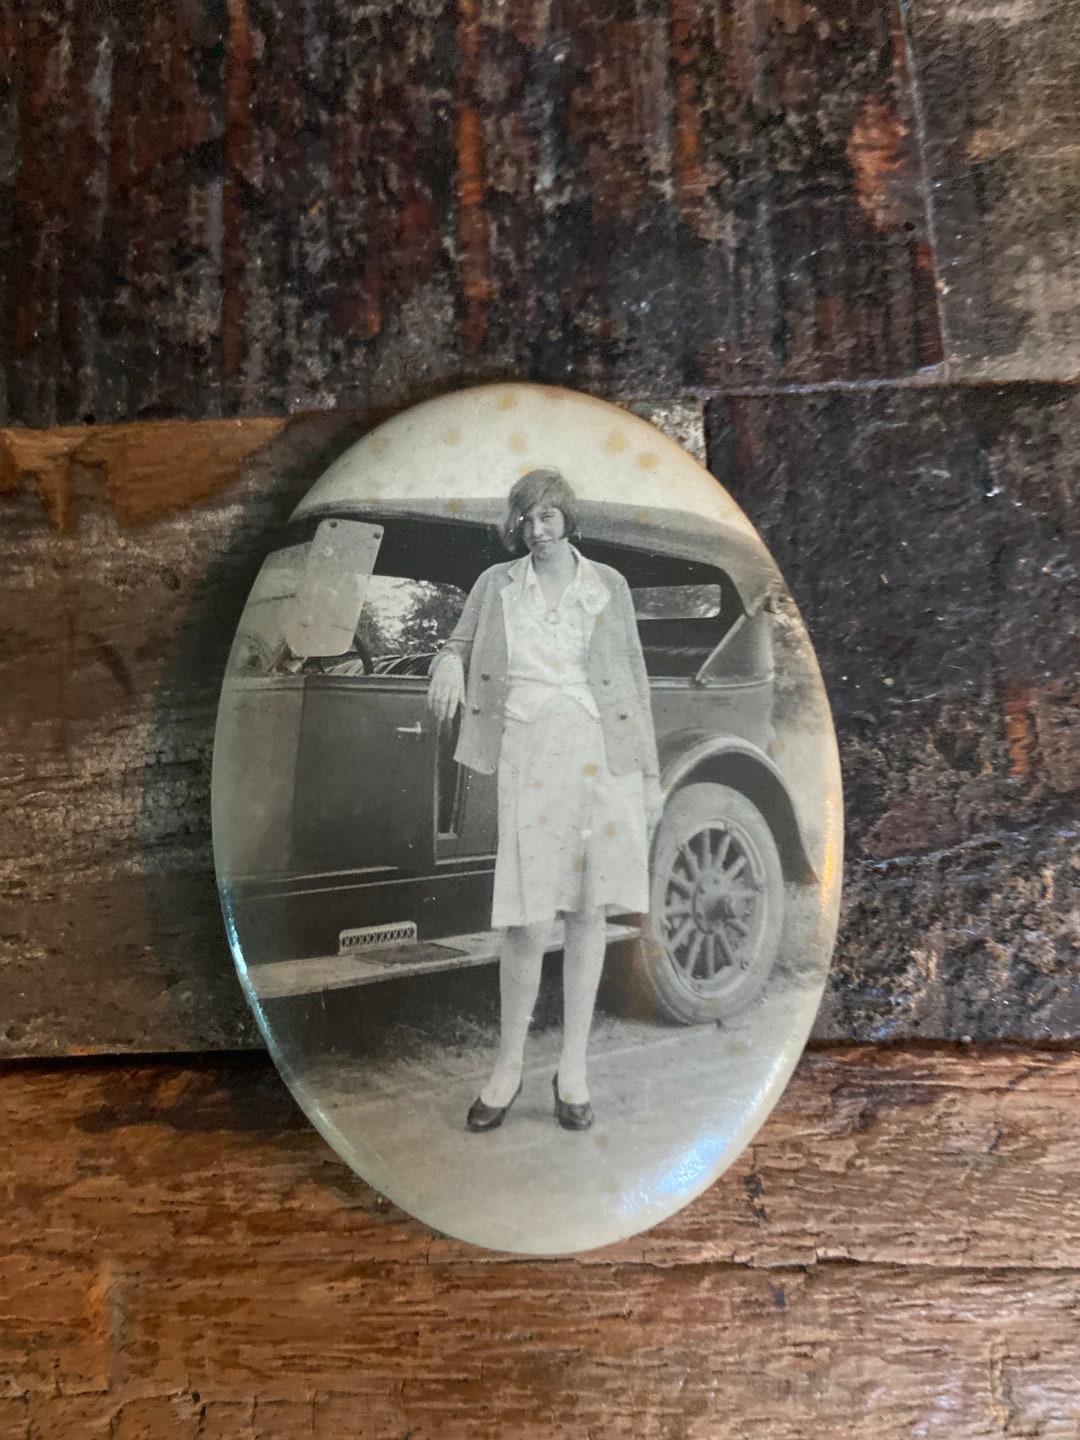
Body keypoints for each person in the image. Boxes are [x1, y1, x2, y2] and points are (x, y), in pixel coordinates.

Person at [427, 469, 662, 1132]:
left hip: (599, 758)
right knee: (527, 921)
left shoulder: (607, 585)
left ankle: (573, 1070)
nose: (538, 530)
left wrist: (647, 776)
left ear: (569, 519)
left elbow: (635, 681)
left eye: (549, 516)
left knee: (588, 910)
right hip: (528, 754)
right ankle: (507, 1068)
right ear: (517, 525)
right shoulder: (496, 584)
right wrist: (448, 661)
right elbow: (458, 643)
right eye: (527, 519)